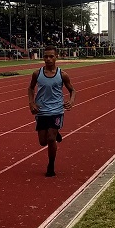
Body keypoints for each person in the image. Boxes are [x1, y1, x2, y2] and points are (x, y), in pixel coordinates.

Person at [27, 45, 76, 177]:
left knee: (50, 138)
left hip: (56, 110)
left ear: (56, 57)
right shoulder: (37, 74)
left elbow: (72, 90)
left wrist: (71, 101)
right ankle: (56, 134)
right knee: (43, 142)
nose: (48, 59)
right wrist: (31, 103)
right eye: (46, 56)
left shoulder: (62, 75)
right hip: (42, 110)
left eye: (51, 56)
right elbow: (30, 89)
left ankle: (51, 165)